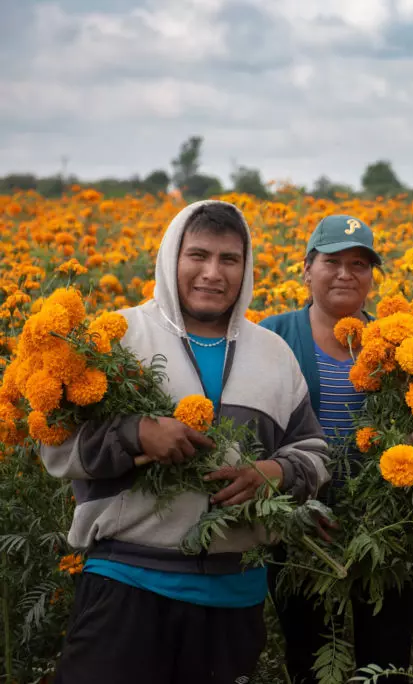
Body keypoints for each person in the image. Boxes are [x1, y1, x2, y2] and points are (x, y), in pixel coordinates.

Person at [41, 200, 331, 684]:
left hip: (233, 597)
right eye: (197, 255)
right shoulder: (117, 338)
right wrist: (136, 434)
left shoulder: (273, 354)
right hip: (126, 583)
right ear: (171, 256)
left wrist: (275, 475)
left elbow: (314, 453)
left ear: (246, 267)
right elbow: (57, 445)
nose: (212, 273)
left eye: (228, 259)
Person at [260, 215, 413, 684]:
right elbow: (249, 434)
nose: (345, 273)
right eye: (332, 261)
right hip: (301, 531)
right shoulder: (271, 338)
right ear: (306, 269)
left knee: (387, 665)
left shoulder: (402, 345)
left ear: (372, 277)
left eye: (359, 263)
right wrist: (294, 510)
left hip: (390, 532)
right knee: (312, 661)